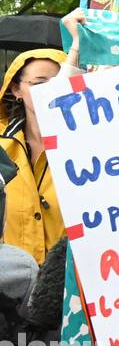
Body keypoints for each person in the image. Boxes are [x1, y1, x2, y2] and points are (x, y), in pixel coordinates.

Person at [0, 49, 67, 265]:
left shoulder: (87, 147)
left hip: (71, 286)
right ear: (16, 88)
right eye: (39, 83)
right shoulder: (2, 148)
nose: (50, 91)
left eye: (58, 82)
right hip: (13, 289)